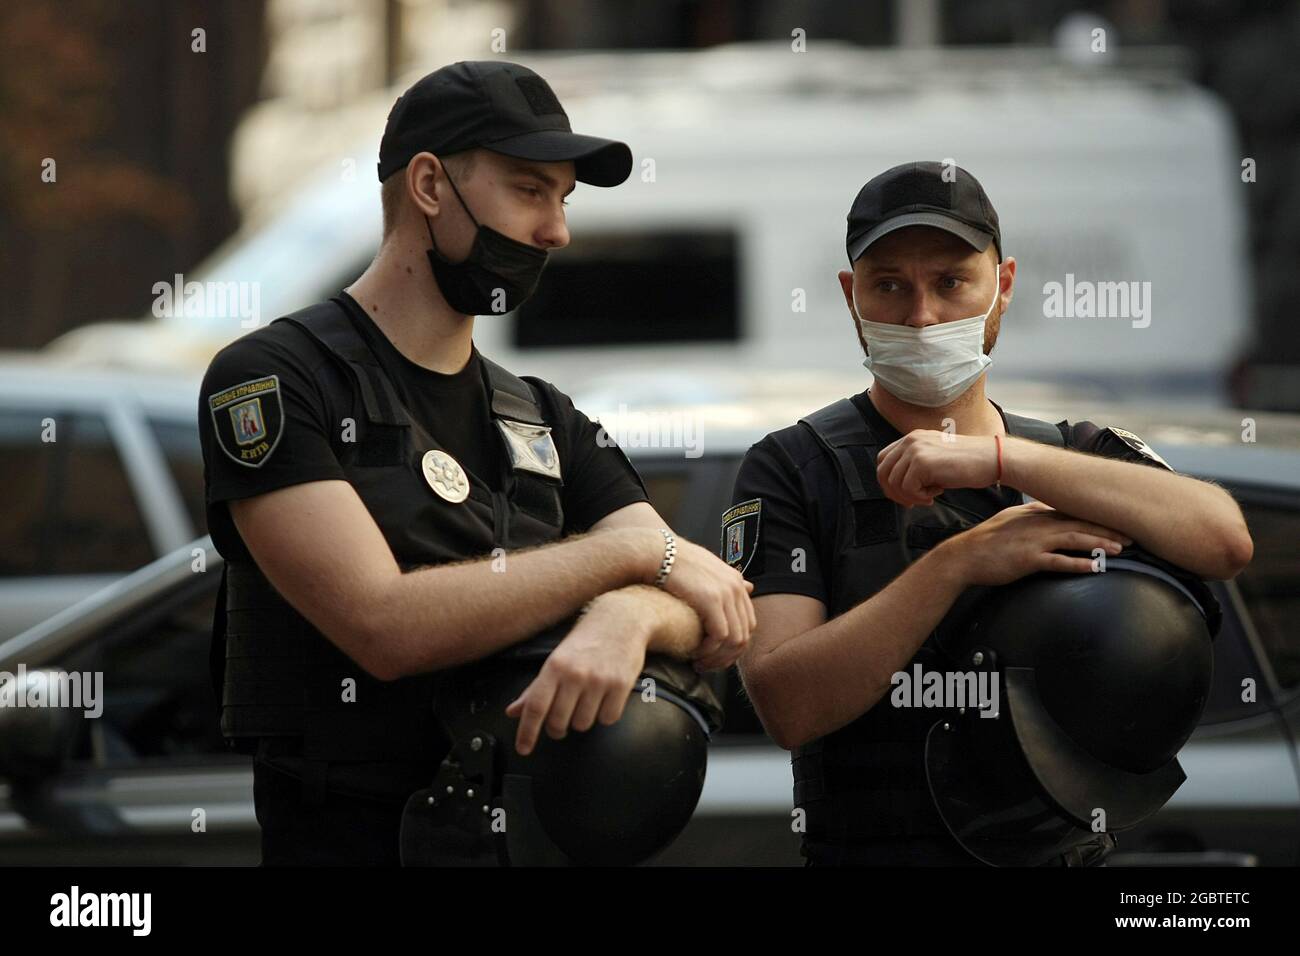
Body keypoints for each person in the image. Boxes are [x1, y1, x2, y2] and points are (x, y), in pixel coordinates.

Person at [199, 60, 754, 866]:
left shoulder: (543, 415)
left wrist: (627, 617)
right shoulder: (275, 379)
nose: (557, 231)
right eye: (530, 190)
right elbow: (383, 626)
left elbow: (709, 605)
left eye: (563, 200)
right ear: (430, 184)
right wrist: (630, 559)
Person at [722, 160, 1254, 867]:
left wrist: (1005, 460)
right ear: (851, 296)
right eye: (890, 286)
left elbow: (1225, 540)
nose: (922, 317)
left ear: (1002, 286)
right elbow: (788, 706)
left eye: (951, 283)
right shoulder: (794, 466)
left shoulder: (1069, 454)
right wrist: (957, 564)